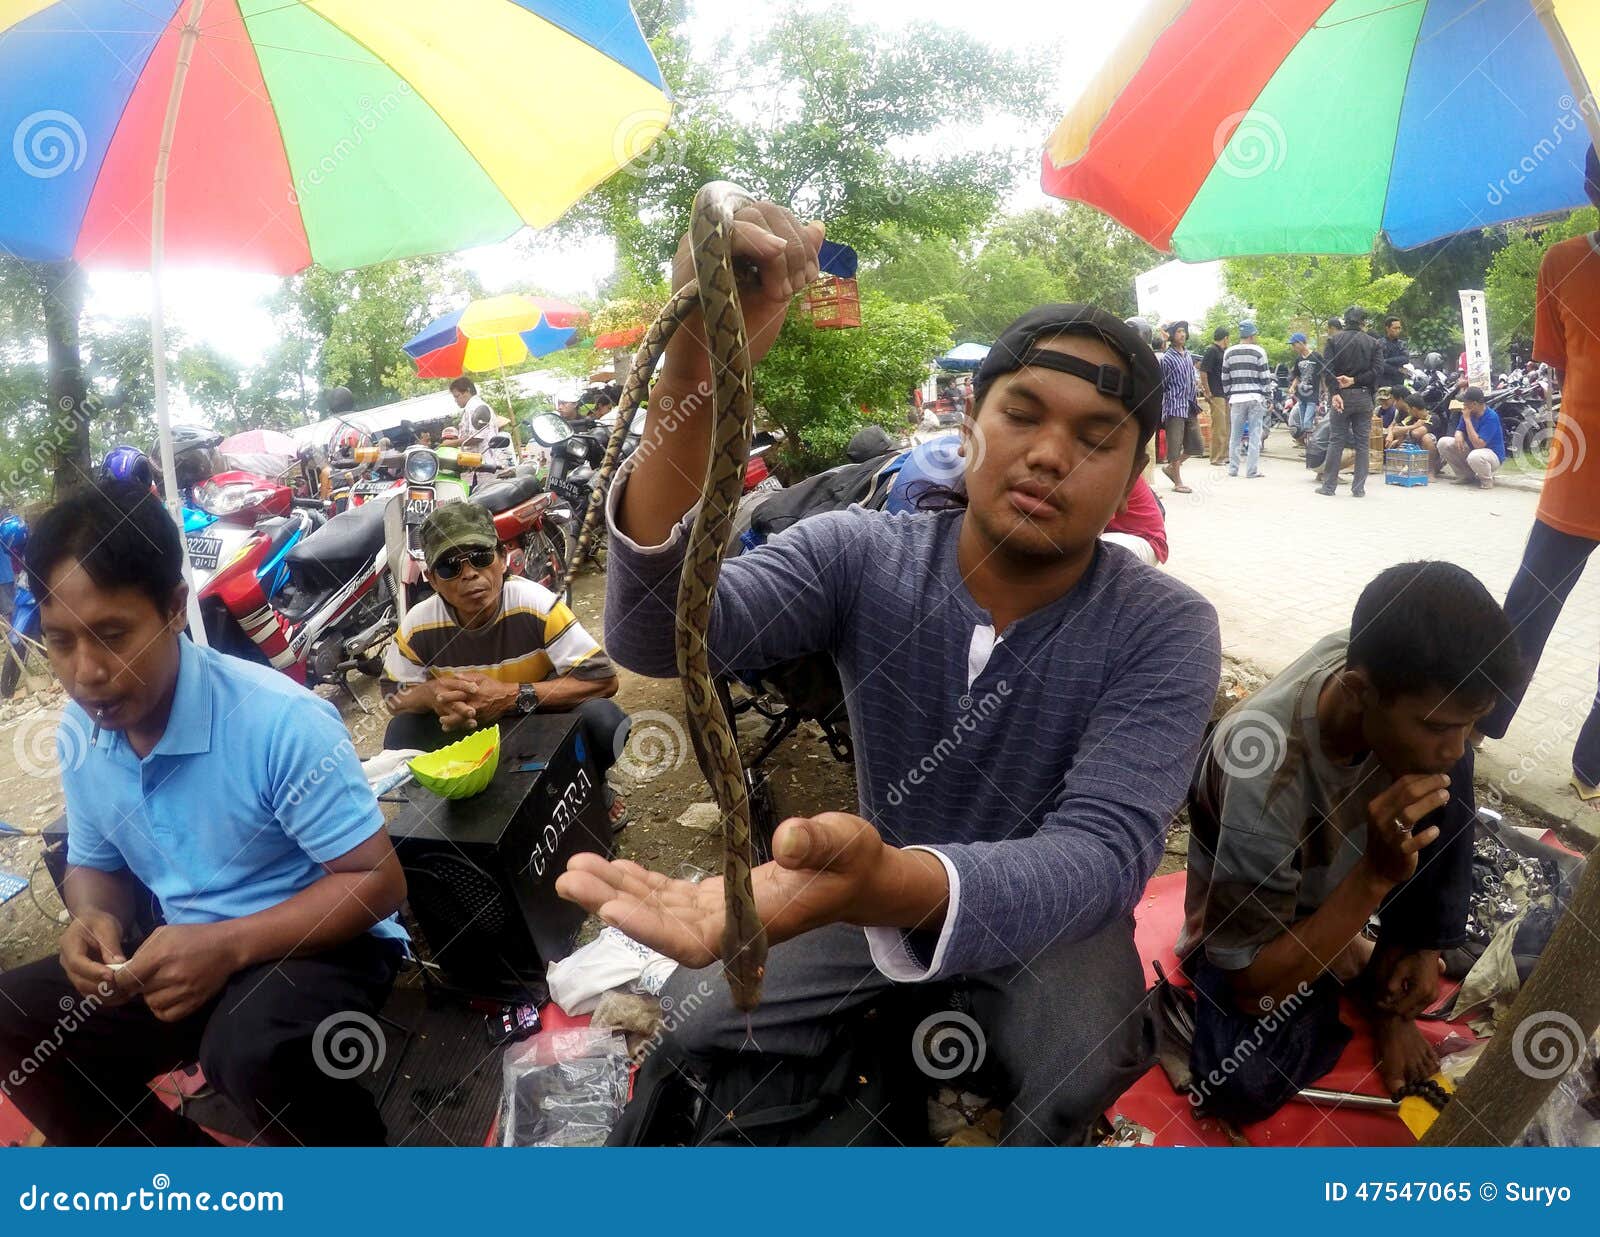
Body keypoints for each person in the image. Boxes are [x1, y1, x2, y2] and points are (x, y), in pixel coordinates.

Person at [557, 199, 1221, 1146]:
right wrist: (696, 364)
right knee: (704, 1029)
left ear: (1135, 470)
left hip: (1047, 922)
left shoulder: (1164, 625)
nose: (1047, 452)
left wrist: (895, 884)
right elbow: (660, 635)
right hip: (855, 900)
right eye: (1022, 414)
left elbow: (1105, 857)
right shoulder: (859, 554)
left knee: (1078, 1065)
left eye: (1095, 436)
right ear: (968, 425)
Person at [0, 483, 408, 1146]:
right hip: (180, 951)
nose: (87, 673)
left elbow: (376, 881)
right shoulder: (82, 731)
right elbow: (93, 863)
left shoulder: (280, 720)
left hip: (320, 942)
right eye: (60, 641)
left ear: (172, 608)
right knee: (13, 1016)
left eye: (111, 634)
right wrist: (95, 917)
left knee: (250, 1047)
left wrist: (226, 945)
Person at [1180, 561, 1517, 1123]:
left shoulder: (1393, 667)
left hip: (1341, 893)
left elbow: (1446, 741)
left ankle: (1381, 966)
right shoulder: (1262, 768)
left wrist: (1422, 944)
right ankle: (1356, 969)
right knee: (1238, 1080)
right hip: (1255, 934)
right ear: (1360, 692)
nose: (1458, 747)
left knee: (1441, 782)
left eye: (1472, 724)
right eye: (1439, 726)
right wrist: (1374, 878)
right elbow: (1248, 986)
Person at [382, 502, 631, 830]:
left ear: (502, 560)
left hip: (536, 721)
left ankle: (591, 781)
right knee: (401, 734)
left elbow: (601, 679)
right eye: (449, 566)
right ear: (432, 579)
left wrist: (514, 696)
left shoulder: (536, 605)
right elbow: (391, 695)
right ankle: (441, 812)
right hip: (467, 732)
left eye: (481, 557)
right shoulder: (418, 626)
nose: (469, 573)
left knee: (604, 721)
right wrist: (429, 694)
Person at [1479, 146, 1600, 797]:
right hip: (1578, 469)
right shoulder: (1562, 262)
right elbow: (1560, 369)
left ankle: (1593, 764)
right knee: (1528, 603)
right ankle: (1475, 725)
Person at [1317, 306, 1382, 497]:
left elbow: (1327, 369)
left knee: (1336, 440)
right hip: (1363, 397)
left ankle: (1329, 487)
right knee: (1363, 443)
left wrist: (1335, 392)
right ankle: (1359, 489)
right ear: (1363, 322)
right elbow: (1377, 371)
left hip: (1341, 398)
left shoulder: (1333, 340)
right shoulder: (1373, 343)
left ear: (1345, 321)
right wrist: (1356, 380)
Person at [1158, 320, 1205, 494]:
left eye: (1184, 331)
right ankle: (1177, 481)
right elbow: (1162, 384)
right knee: (1175, 445)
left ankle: (1171, 468)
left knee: (1196, 446)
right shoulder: (1167, 358)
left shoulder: (1188, 355)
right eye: (1178, 331)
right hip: (1174, 406)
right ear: (1171, 335)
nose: (1182, 334)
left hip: (1190, 405)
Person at [1222, 321, 1272, 478]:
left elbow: (1225, 377)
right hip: (1255, 398)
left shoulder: (1229, 352)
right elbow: (1265, 377)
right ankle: (1251, 471)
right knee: (1254, 435)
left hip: (1236, 398)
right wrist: (1268, 397)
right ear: (1252, 335)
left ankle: (1233, 469)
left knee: (1235, 436)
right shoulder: (1259, 352)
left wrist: (1230, 394)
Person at [1436, 386, 1505, 489]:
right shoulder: (1469, 412)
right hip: (1473, 449)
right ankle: (1465, 476)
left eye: (1465, 402)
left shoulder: (1491, 417)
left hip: (1491, 455)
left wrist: (1467, 420)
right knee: (1443, 442)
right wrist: (1458, 434)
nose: (1463, 404)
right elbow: (1460, 429)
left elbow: (1479, 444)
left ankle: (1486, 480)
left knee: (1475, 456)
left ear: (1474, 404)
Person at [1384, 390, 1439, 473]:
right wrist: (1414, 426)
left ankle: (1431, 472)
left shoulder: (1433, 417)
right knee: (1399, 439)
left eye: (1408, 409)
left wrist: (1406, 431)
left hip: (1436, 456)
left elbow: (1417, 433)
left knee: (1426, 438)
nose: (1408, 411)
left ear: (1413, 409)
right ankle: (1411, 468)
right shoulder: (1410, 418)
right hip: (1416, 449)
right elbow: (1395, 429)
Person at [1201, 325, 1231, 465]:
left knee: (1227, 425)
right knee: (1219, 427)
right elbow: (1203, 371)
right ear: (1225, 338)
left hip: (1224, 393)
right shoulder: (1212, 350)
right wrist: (1207, 391)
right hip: (1216, 393)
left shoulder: (1223, 352)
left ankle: (1224, 455)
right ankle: (1216, 457)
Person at [1288, 332, 1323, 444]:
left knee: (1307, 422)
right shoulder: (1298, 359)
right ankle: (1309, 447)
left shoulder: (1317, 357)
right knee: (1304, 424)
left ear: (1301, 343)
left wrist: (1326, 391)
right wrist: (1293, 387)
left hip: (1313, 395)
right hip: (1301, 395)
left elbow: (1323, 375)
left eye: (1294, 344)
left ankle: (1313, 447)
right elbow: (1297, 376)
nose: (1293, 347)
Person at [1379, 314, 1412, 406]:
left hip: (1398, 383)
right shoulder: (1380, 344)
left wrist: (1387, 360)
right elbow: (1379, 364)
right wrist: (1397, 370)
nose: (1398, 331)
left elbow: (1405, 359)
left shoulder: (1402, 344)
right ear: (1387, 328)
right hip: (1383, 382)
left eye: (1399, 328)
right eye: (1395, 328)